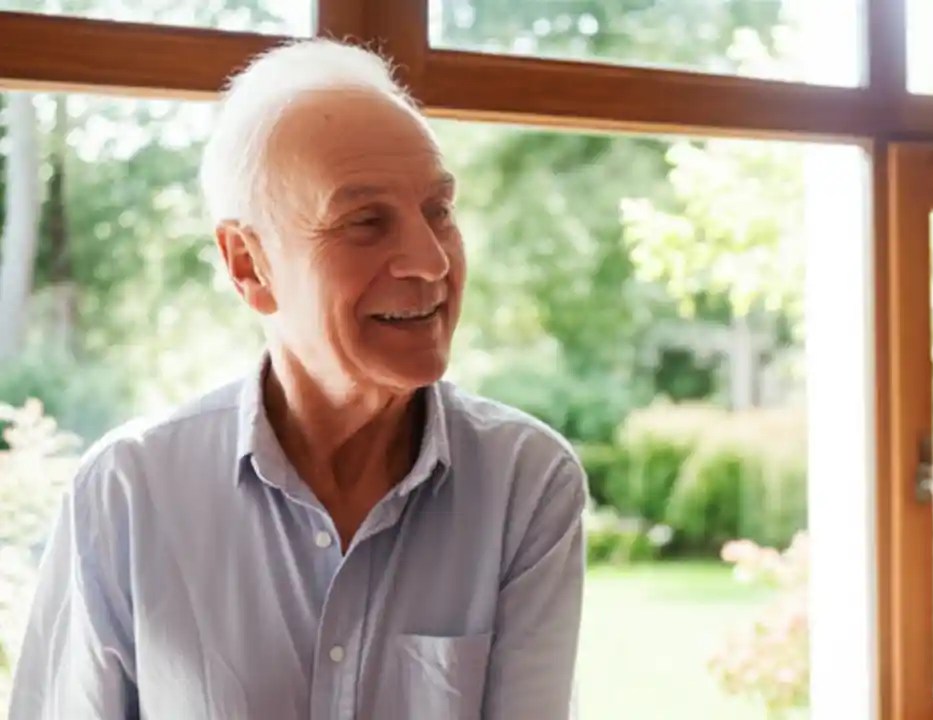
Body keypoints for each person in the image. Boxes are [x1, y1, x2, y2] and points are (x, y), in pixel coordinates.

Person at [9, 39, 585, 720]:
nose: (430, 262)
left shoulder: (526, 482)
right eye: (366, 223)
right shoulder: (127, 493)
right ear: (247, 264)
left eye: (439, 211)